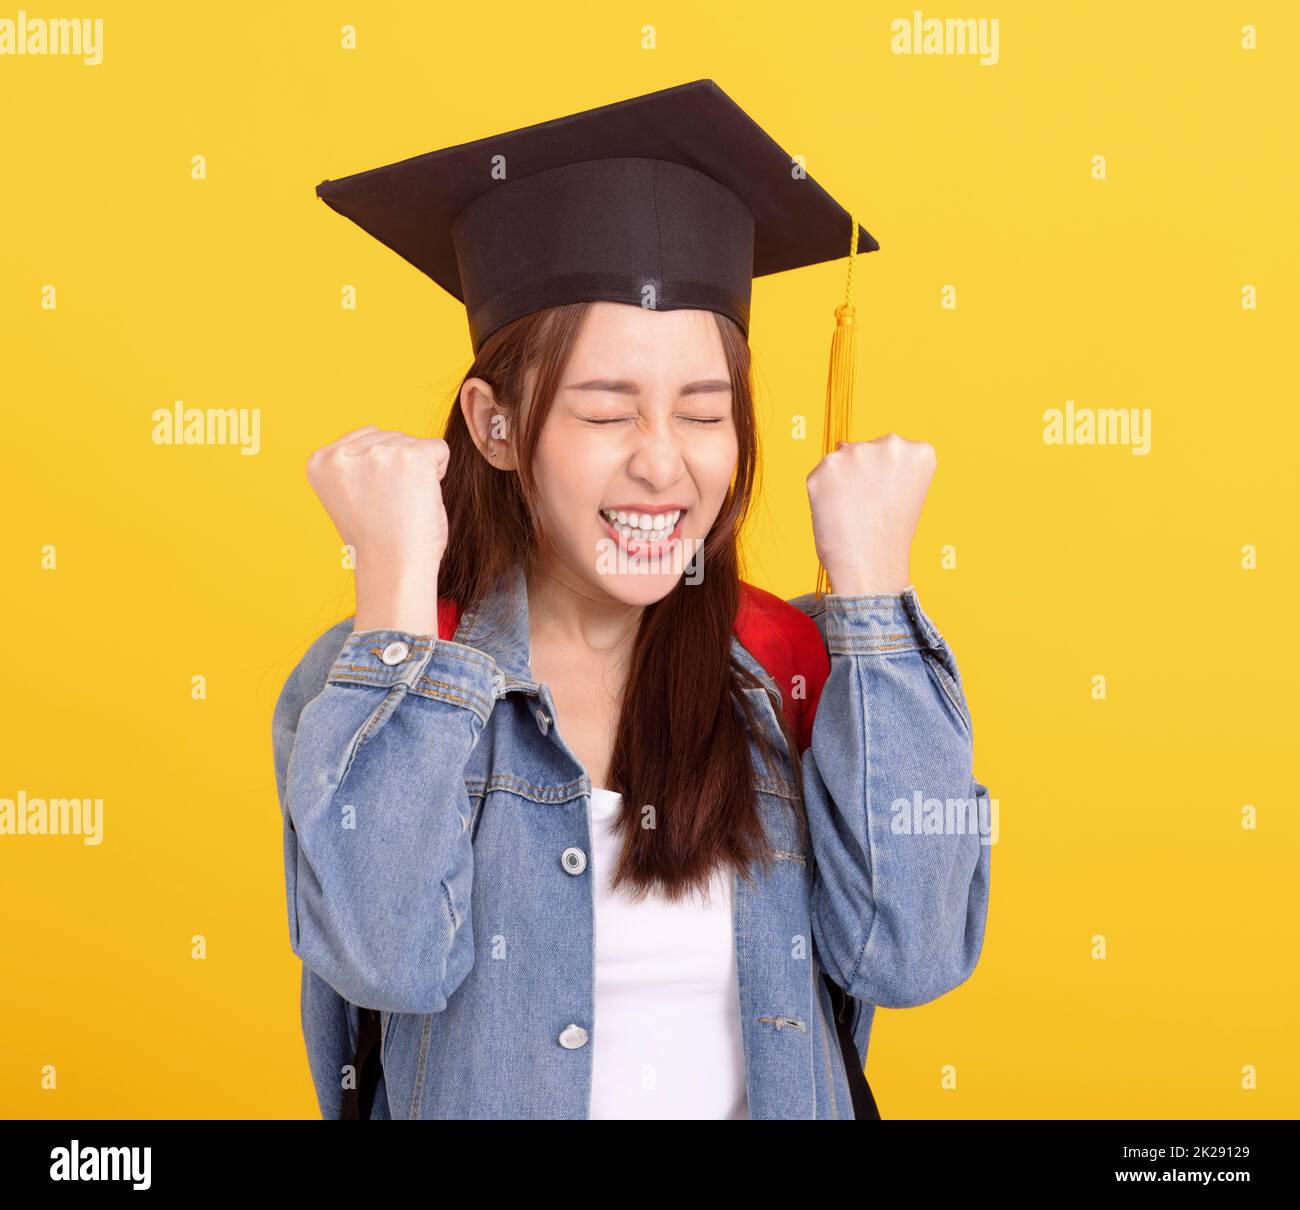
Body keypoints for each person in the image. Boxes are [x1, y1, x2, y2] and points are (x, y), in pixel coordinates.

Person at [273, 80, 991, 1120]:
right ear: (494, 425)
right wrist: (394, 589)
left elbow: (909, 954)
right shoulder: (384, 678)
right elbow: (387, 961)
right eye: (608, 411)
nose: (663, 464)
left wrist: (874, 598)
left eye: (704, 413)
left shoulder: (789, 669)